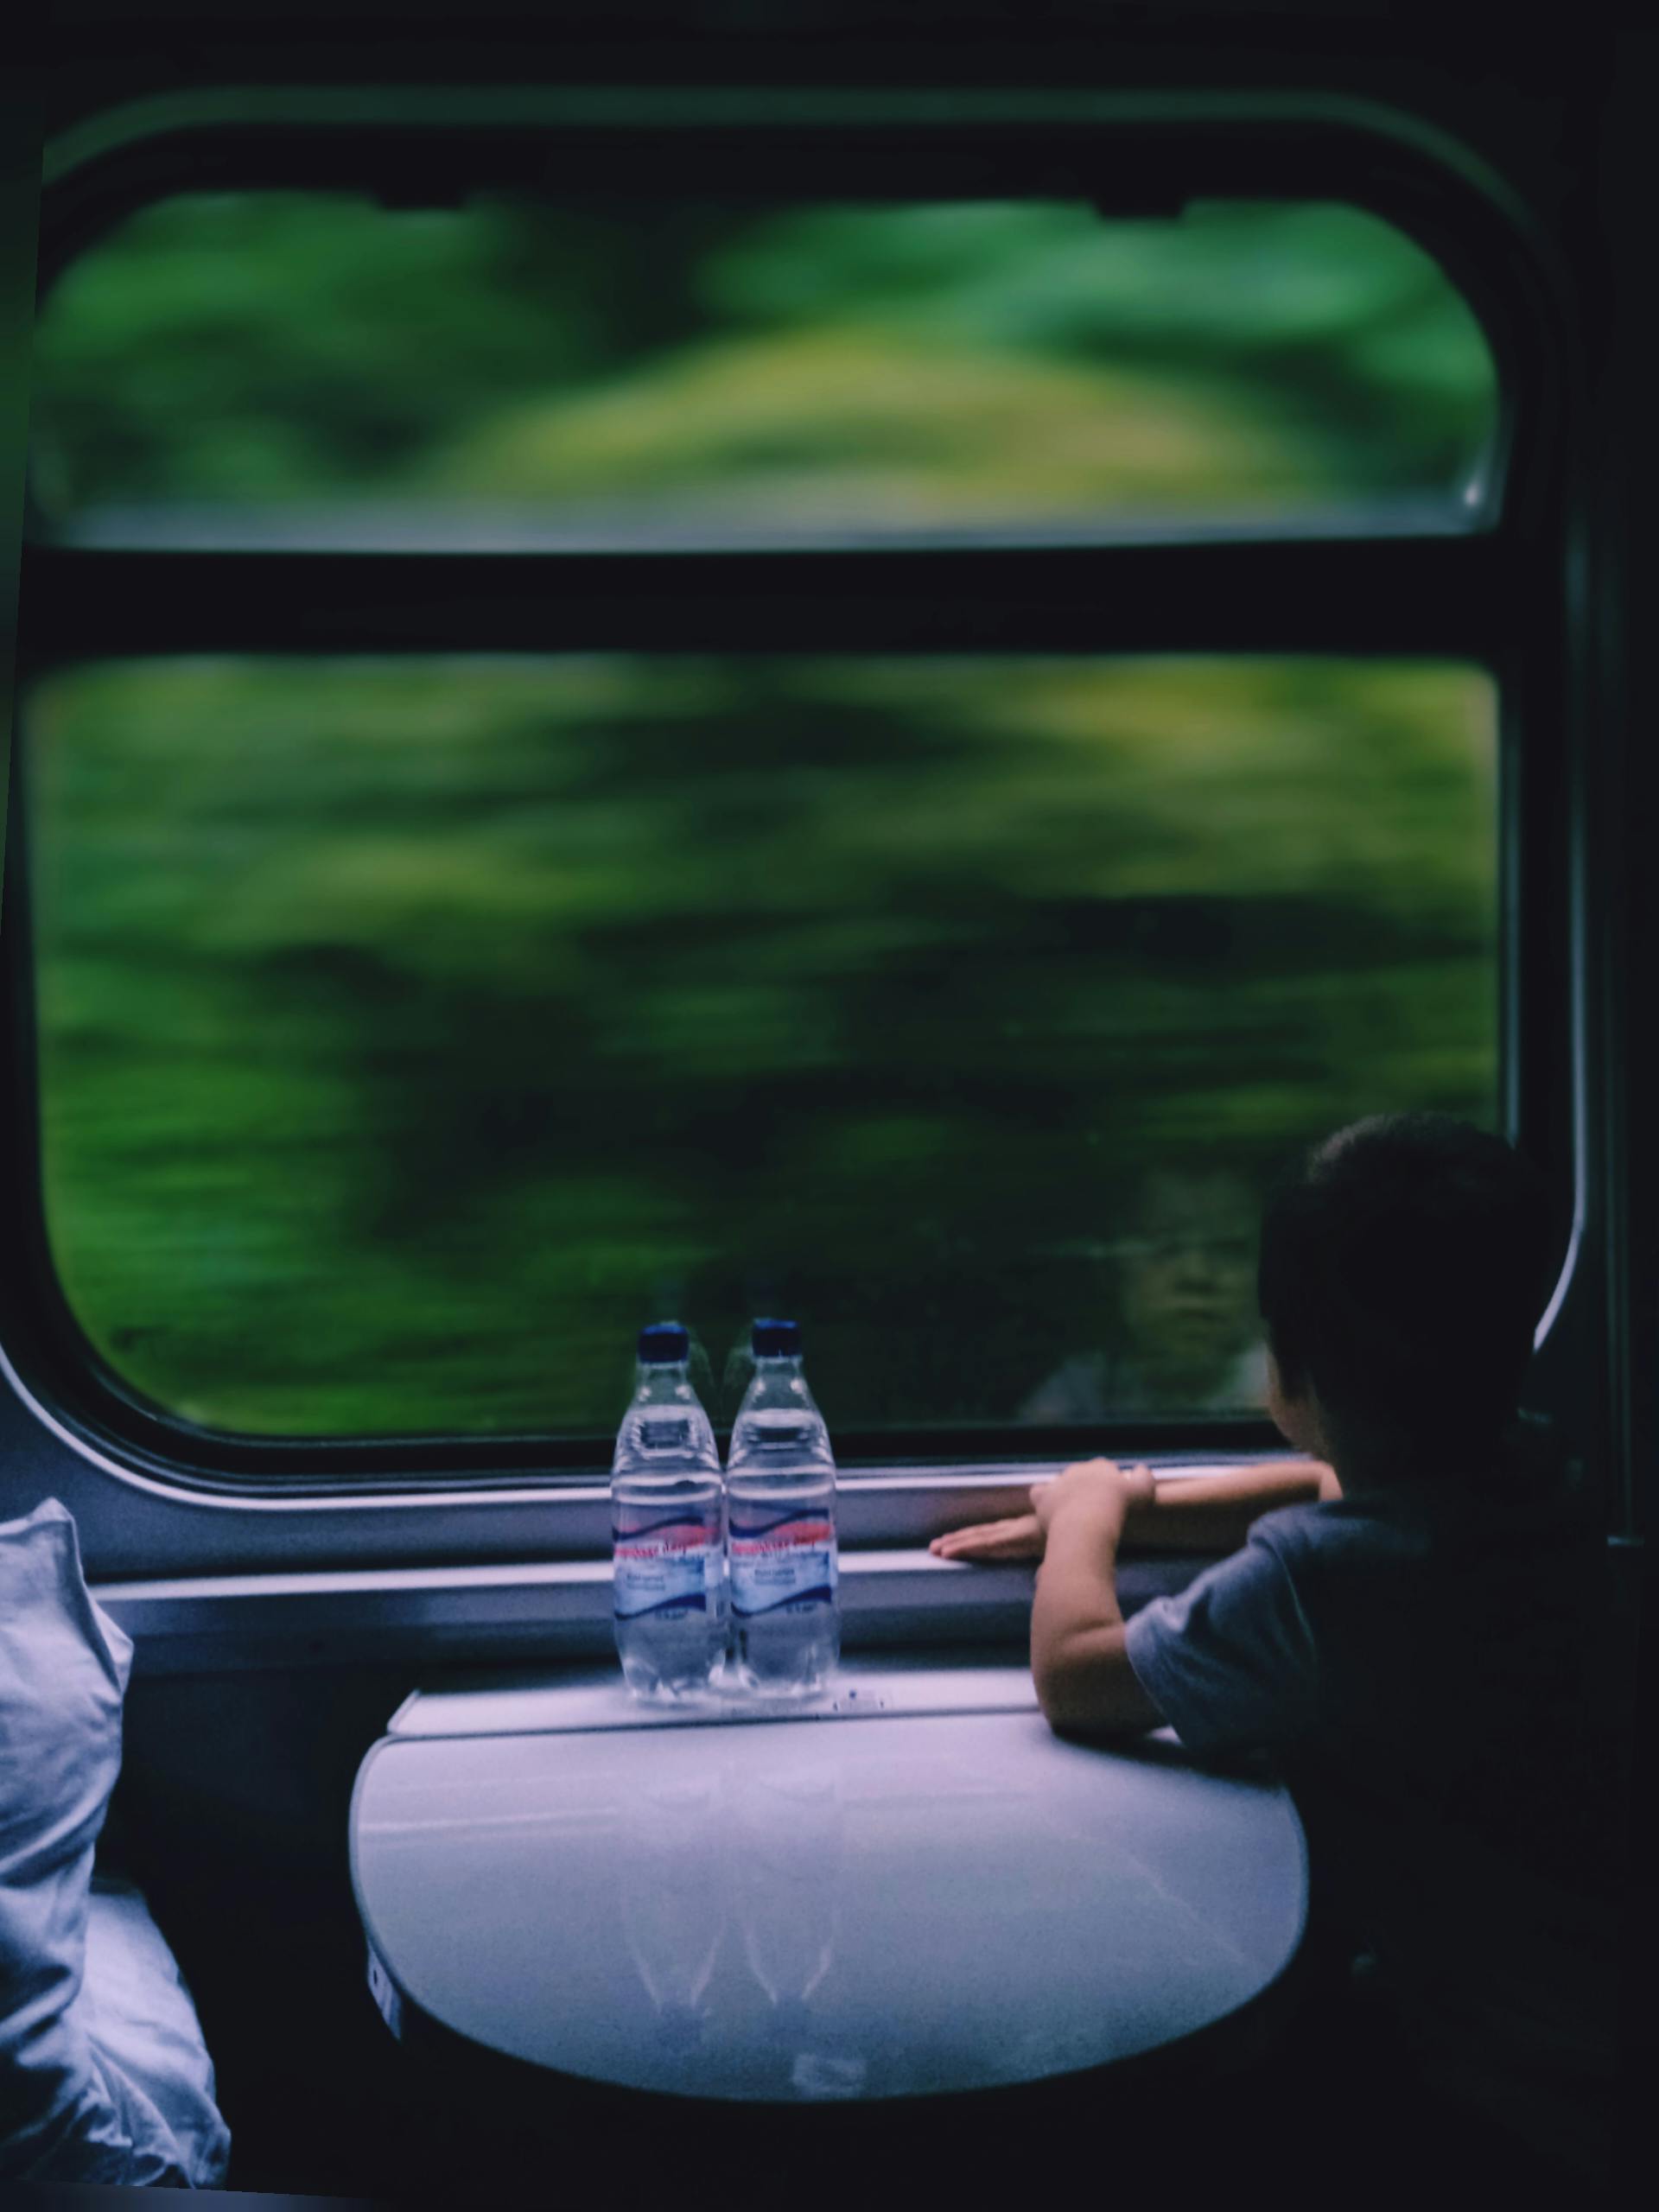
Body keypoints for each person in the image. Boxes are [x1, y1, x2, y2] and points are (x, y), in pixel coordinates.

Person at [936, 1113, 1626, 2190]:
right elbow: (1330, 1483)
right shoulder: (1537, 1472)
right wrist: (1142, 1511)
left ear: (1287, 1371)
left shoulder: (1317, 1588)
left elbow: (1075, 1672)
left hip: (1511, 2103)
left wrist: (1081, 1508)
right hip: (1607, 2028)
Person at [1017, 1166, 1269, 1422]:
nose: (1196, 1274)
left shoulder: (1291, 1397)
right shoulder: (1077, 1397)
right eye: (1163, 1245)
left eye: (1229, 1248)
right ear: (1113, 1270)